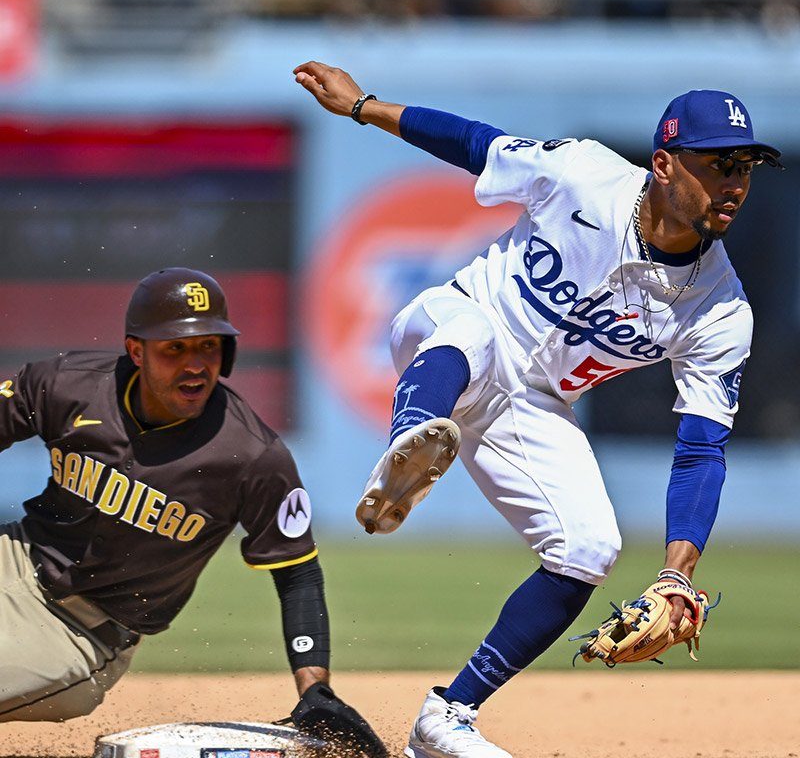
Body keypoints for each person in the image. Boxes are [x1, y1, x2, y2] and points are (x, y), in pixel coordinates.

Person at [294, 61, 782, 758]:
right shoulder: (584, 174)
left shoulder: (721, 310)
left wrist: (678, 572)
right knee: (472, 334)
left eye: (746, 168)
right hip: (450, 325)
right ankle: (410, 444)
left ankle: (447, 716)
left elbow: (701, 448)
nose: (734, 183)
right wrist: (362, 105)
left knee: (590, 548)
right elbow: (477, 143)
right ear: (665, 164)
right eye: (718, 164)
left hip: (533, 404)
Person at [0, 267, 386, 756]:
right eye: (175, 348)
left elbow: (298, 575)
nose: (196, 365)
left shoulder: (252, 457)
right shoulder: (68, 385)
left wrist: (315, 689)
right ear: (136, 351)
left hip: (80, 634)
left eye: (209, 346)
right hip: (14, 555)